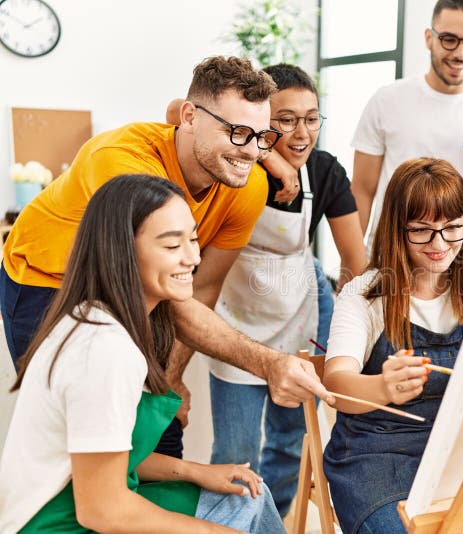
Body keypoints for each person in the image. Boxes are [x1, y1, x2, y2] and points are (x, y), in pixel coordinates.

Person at [0, 56, 333, 460]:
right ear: (190, 116)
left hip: (148, 290)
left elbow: (200, 287)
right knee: (80, 430)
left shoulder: (246, 185)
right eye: (238, 133)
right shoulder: (120, 162)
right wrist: (268, 363)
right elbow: (156, 289)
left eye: (262, 137)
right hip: (48, 279)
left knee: (159, 429)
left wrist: (171, 376)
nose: (251, 152)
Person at [0, 175, 285, 533]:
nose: (193, 257)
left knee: (248, 498)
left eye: (194, 239)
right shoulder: (102, 349)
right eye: (171, 246)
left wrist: (196, 471)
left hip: (89, 501)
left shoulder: (106, 322)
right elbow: (102, 511)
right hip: (59, 523)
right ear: (122, 251)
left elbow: (106, 453)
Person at [321, 158, 463, 534]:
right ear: (397, 230)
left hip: (455, 454)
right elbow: (335, 385)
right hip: (374, 455)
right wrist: (381, 386)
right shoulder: (365, 296)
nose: (439, 244)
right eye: (422, 231)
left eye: (452, 229)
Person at [204, 63, 368, 518]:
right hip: (234, 318)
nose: (301, 133)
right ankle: (230, 525)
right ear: (259, 122)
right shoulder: (235, 163)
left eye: (311, 118)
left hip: (299, 313)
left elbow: (356, 263)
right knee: (235, 450)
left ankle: (267, 521)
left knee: (289, 440)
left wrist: (352, 332)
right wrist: (268, 157)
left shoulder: (324, 172)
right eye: (286, 119)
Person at [350, 0, 463, 260]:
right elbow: (362, 190)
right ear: (428, 38)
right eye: (449, 39)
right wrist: (352, 264)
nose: (461, 54)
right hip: (390, 259)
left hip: (459, 262)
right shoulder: (388, 99)